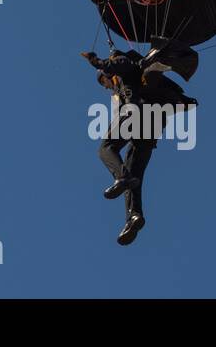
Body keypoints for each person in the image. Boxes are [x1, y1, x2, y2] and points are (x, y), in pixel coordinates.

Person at [82, 48, 196, 246]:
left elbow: (120, 64)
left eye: (104, 82)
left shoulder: (126, 68)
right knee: (134, 176)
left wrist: (97, 62)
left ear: (108, 76)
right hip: (151, 127)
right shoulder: (125, 83)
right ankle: (133, 217)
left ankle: (121, 177)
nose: (106, 87)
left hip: (137, 112)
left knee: (106, 148)